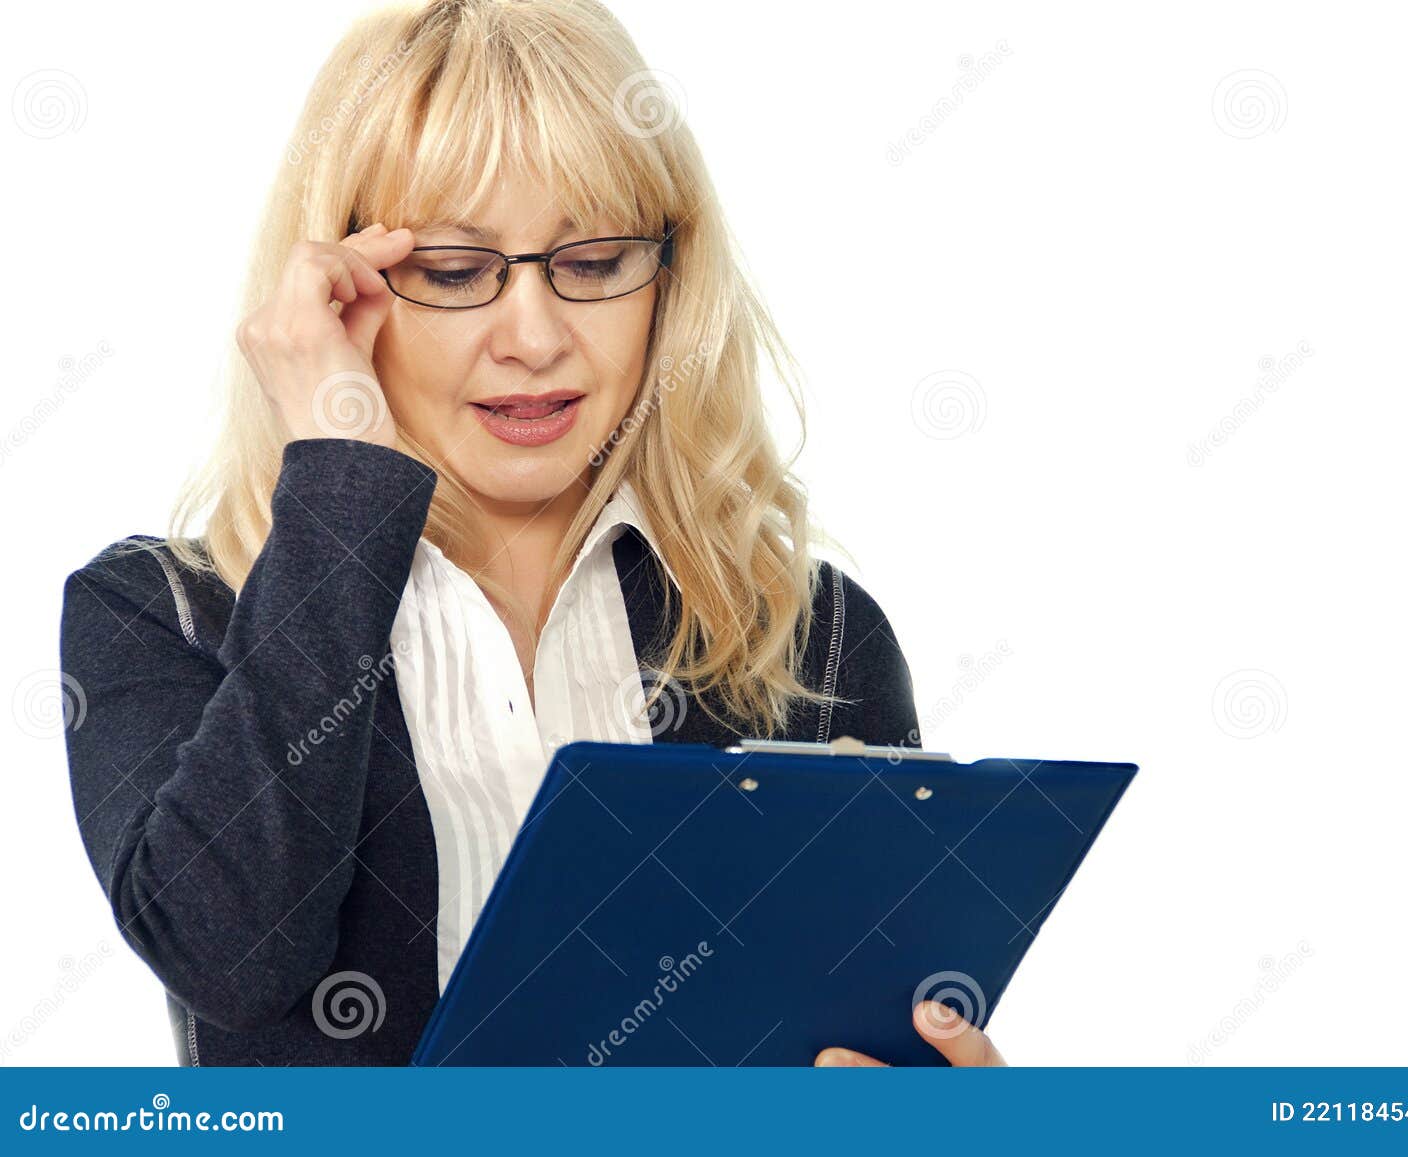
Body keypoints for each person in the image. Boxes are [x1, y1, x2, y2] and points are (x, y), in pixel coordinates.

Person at [58, 0, 1004, 1067]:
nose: (536, 337)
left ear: (668, 282)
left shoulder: (813, 631)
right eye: (456, 273)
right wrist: (338, 471)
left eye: (595, 263)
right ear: (329, 292)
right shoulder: (163, 613)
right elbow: (231, 959)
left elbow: (877, 1037)